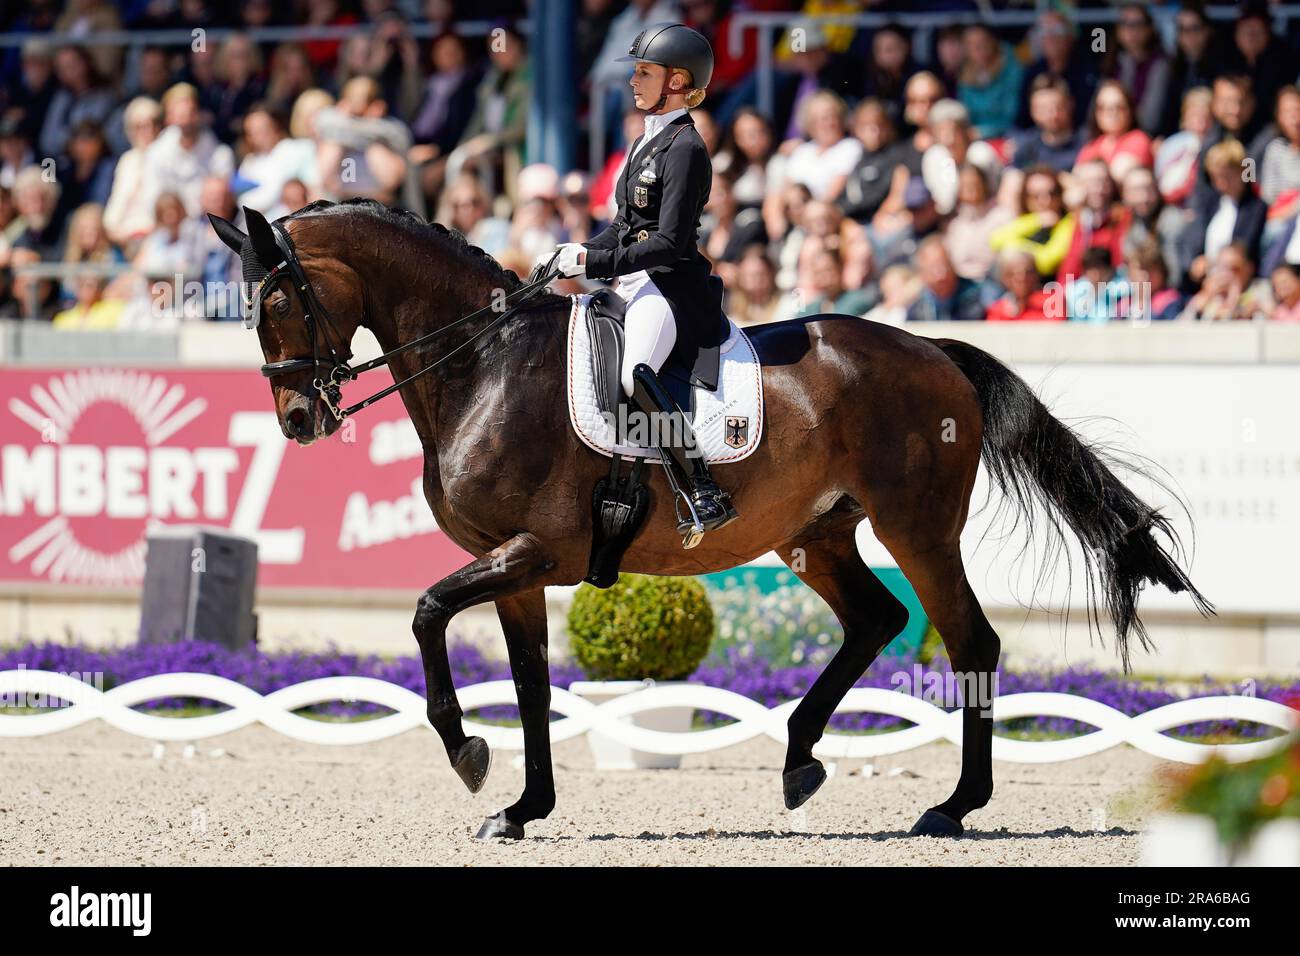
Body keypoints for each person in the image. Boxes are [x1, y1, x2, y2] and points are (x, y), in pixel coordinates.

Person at [533, 22, 737, 541]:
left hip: (669, 286)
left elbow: (669, 243)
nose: (633, 81)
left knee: (635, 373)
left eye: (645, 72)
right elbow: (625, 228)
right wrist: (574, 250)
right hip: (634, 281)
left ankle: (702, 488)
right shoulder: (646, 141)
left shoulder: (687, 148)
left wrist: (595, 264)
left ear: (677, 81)